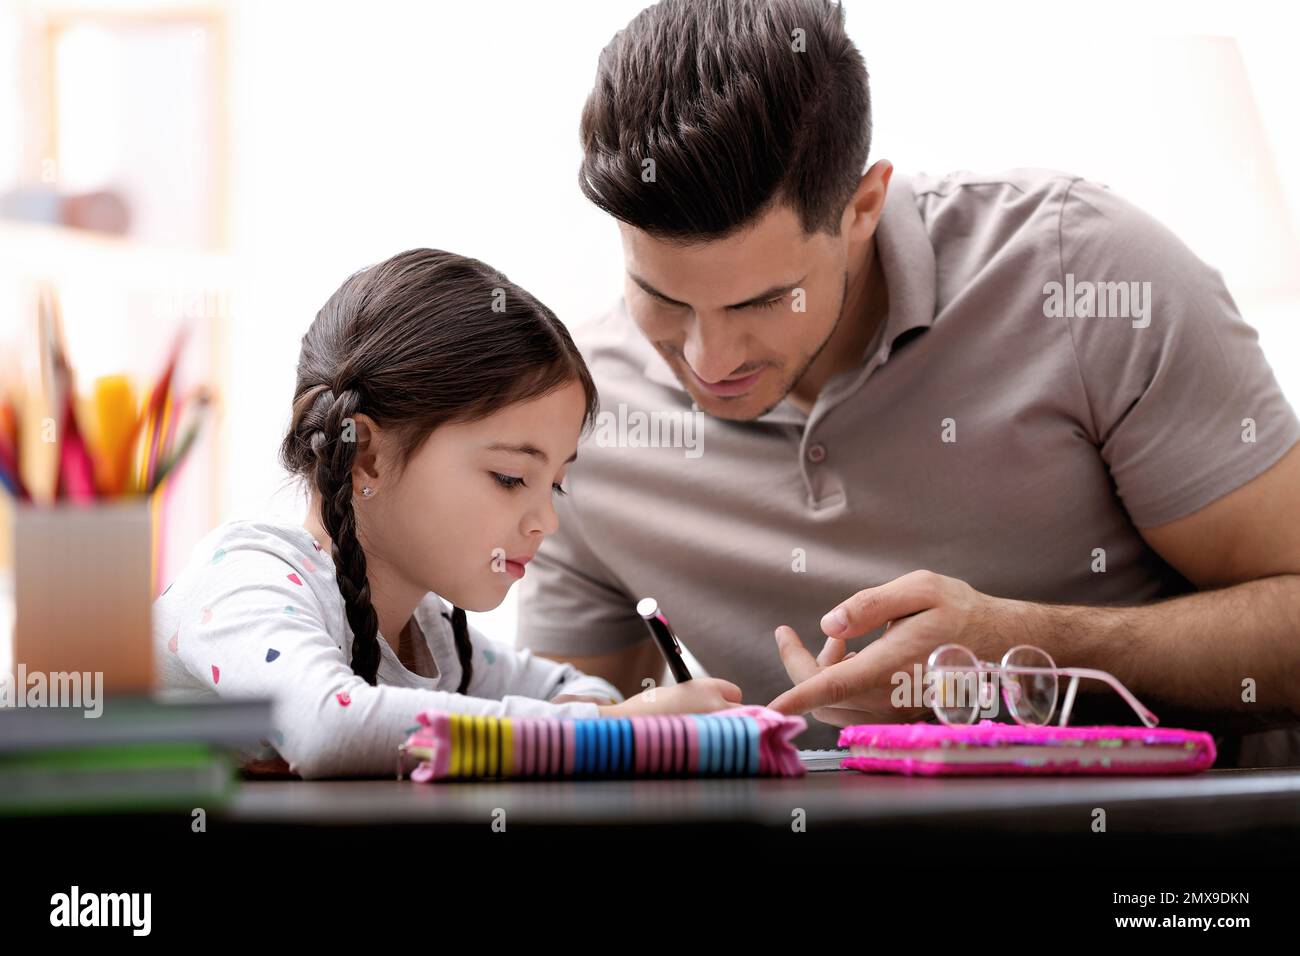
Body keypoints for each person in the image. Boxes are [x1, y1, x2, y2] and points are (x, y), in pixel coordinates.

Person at [516, 0, 1300, 762]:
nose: (709, 360)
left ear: (863, 207)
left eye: (761, 302)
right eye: (661, 297)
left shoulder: (1089, 277)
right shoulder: (580, 422)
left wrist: (1027, 649)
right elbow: (557, 741)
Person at [152, 248, 742, 778]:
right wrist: (610, 729)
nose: (546, 523)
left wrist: (606, 714)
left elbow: (573, 686)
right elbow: (333, 728)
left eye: (555, 485)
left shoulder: (431, 632)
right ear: (368, 457)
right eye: (510, 477)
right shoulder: (245, 580)